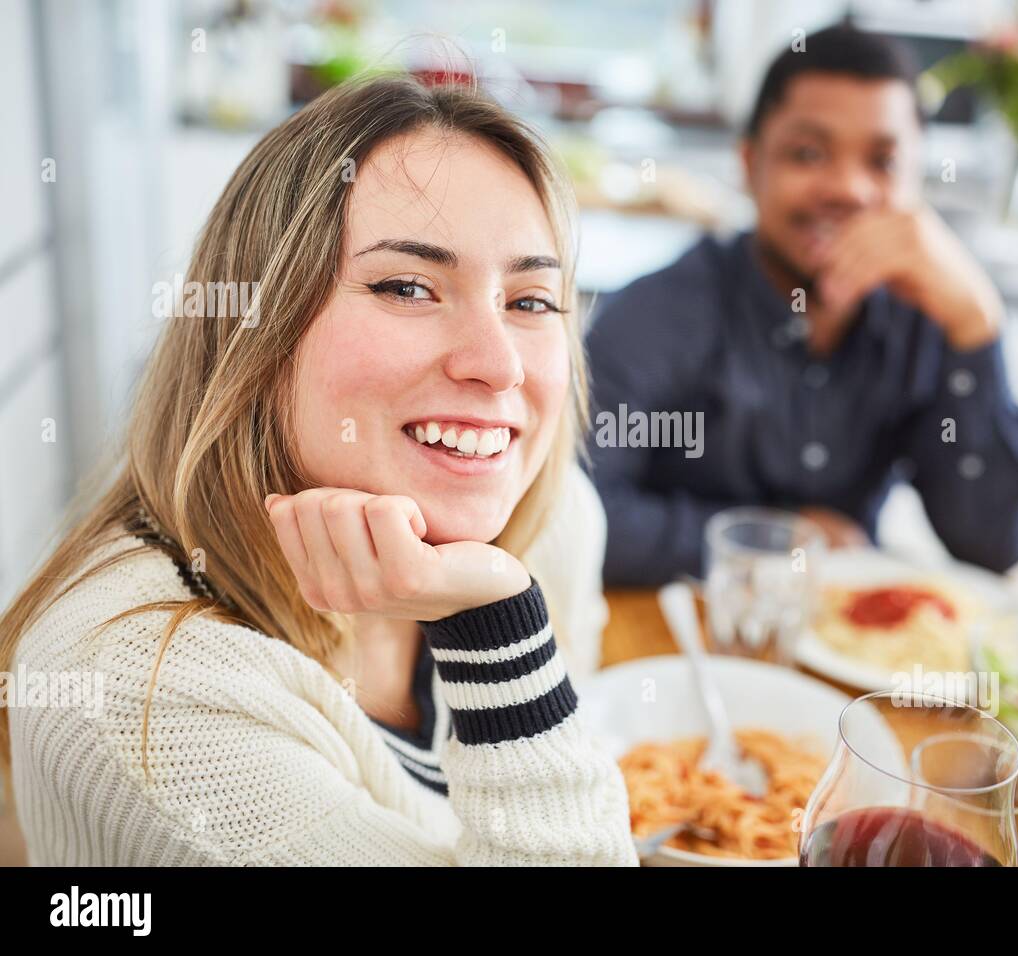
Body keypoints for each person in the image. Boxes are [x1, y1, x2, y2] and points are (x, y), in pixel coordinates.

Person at [0, 74, 636, 866]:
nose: (499, 364)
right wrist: (496, 634)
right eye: (407, 286)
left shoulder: (556, 520)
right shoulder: (135, 689)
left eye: (532, 300)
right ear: (250, 336)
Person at [585, 24, 1018, 586]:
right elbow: (579, 515)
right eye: (808, 153)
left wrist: (977, 320)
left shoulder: (930, 318)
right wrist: (777, 541)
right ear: (751, 165)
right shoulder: (656, 315)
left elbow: (991, 544)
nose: (849, 188)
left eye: (883, 162)